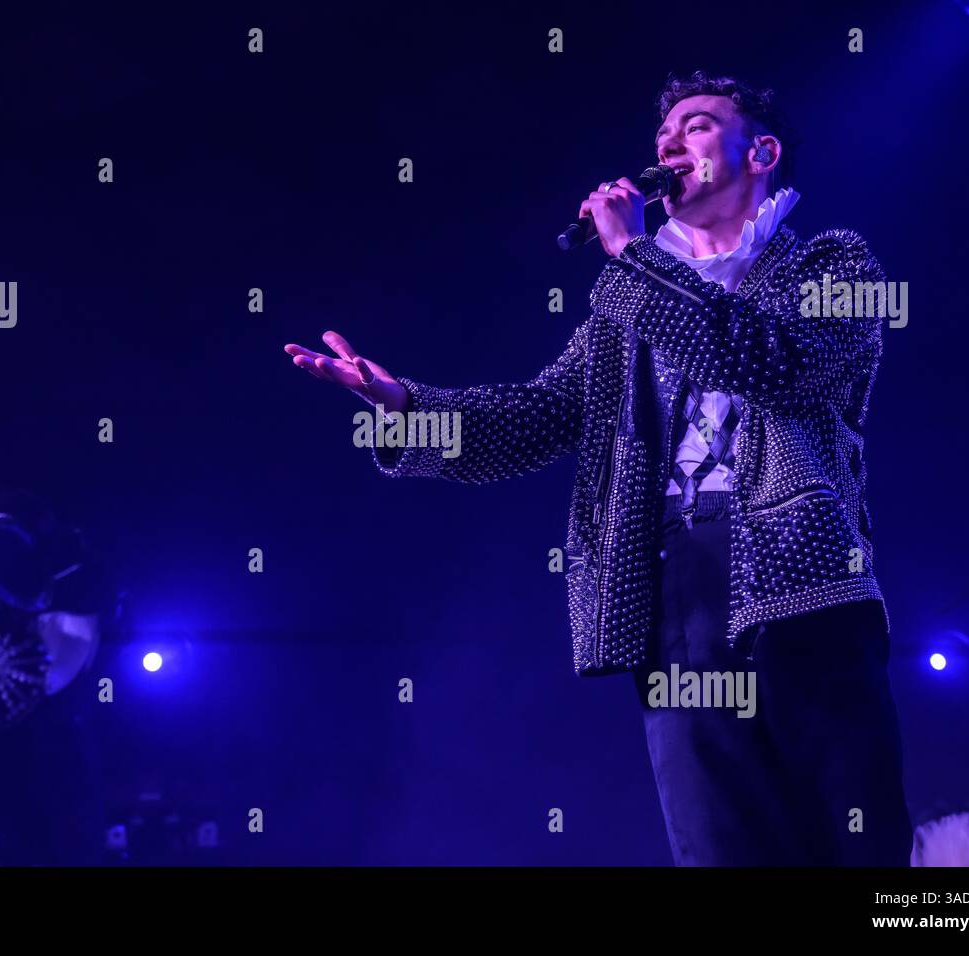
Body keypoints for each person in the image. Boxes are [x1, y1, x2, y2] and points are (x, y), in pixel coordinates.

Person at [284, 71, 912, 866]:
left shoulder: (834, 263)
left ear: (762, 150)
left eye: (695, 125)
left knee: (851, 836)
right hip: (672, 588)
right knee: (719, 843)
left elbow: (774, 361)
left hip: (800, 579)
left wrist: (630, 254)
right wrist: (405, 405)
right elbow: (533, 419)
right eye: (662, 134)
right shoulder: (627, 309)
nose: (667, 144)